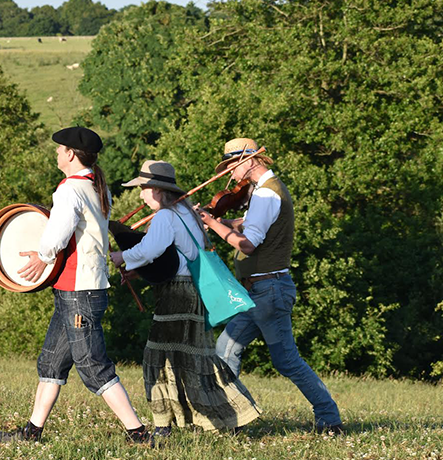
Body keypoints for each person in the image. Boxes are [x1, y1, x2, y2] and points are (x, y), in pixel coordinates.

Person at [0, 127, 150, 444]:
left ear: (70, 154)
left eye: (59, 149)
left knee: (92, 365)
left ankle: (138, 434)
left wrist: (42, 256)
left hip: (79, 290)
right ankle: (31, 433)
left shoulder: (70, 189)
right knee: (51, 362)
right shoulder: (96, 186)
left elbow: (59, 230)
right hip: (78, 289)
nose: (56, 153)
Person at [195, 137, 344, 434]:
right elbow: (250, 224)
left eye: (231, 167)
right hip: (257, 293)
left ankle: (330, 418)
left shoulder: (265, 195)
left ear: (249, 161)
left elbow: (248, 244)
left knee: (286, 361)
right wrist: (213, 218)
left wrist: (213, 225)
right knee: (225, 350)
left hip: (269, 291)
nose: (229, 174)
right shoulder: (263, 193)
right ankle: (232, 418)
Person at [109, 160, 261, 444]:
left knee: (158, 357)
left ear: (156, 190)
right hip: (191, 291)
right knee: (195, 357)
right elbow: (173, 256)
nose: (141, 195)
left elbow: (152, 249)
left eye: (143, 188)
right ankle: (233, 417)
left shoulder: (166, 216)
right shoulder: (186, 214)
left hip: (175, 295)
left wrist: (123, 257)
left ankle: (164, 425)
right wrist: (138, 267)